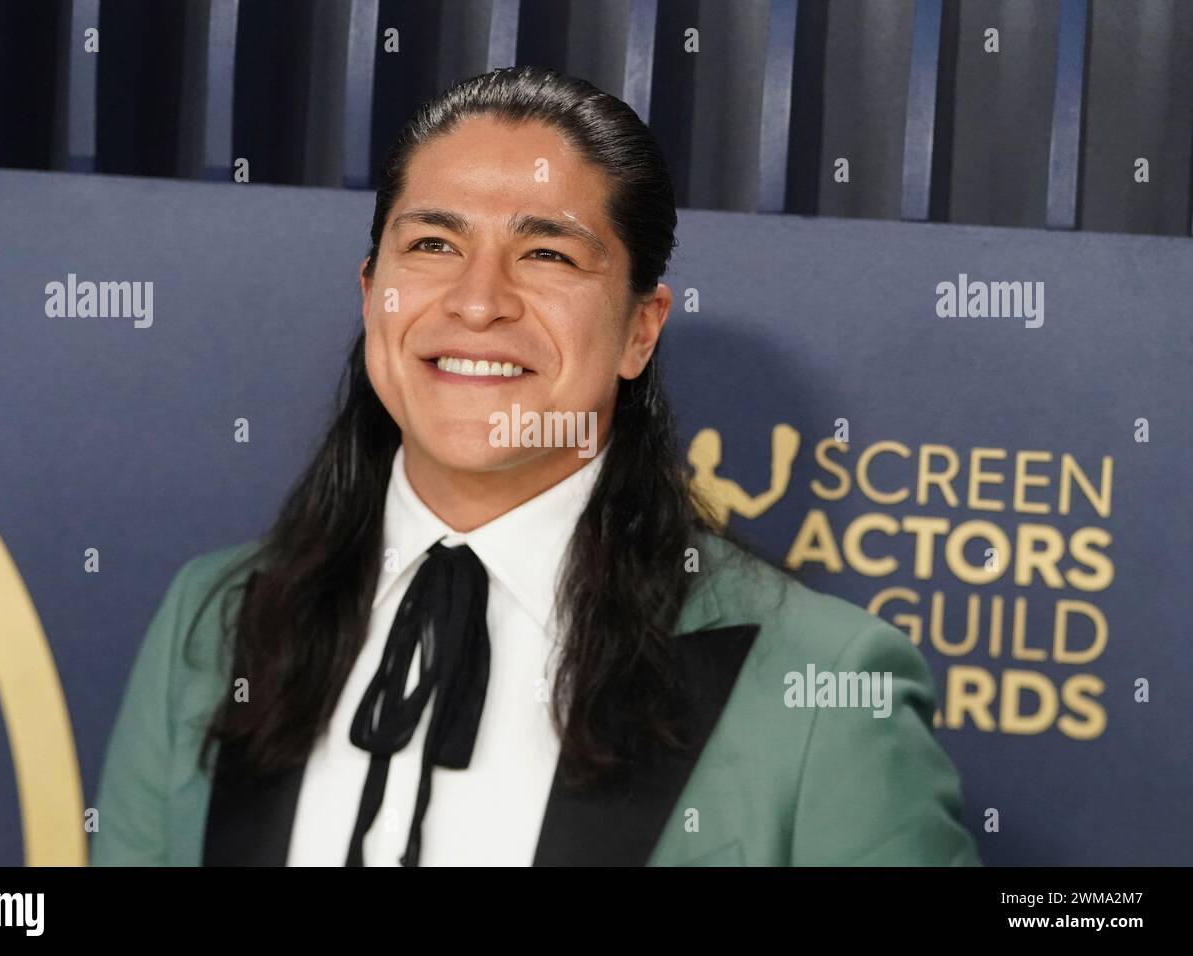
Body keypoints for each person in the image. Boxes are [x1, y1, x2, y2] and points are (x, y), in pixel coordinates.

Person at [90, 65, 981, 867]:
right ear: (372, 296)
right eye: (433, 245)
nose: (477, 302)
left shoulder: (826, 684)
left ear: (641, 327)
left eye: (548, 253)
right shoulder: (213, 621)